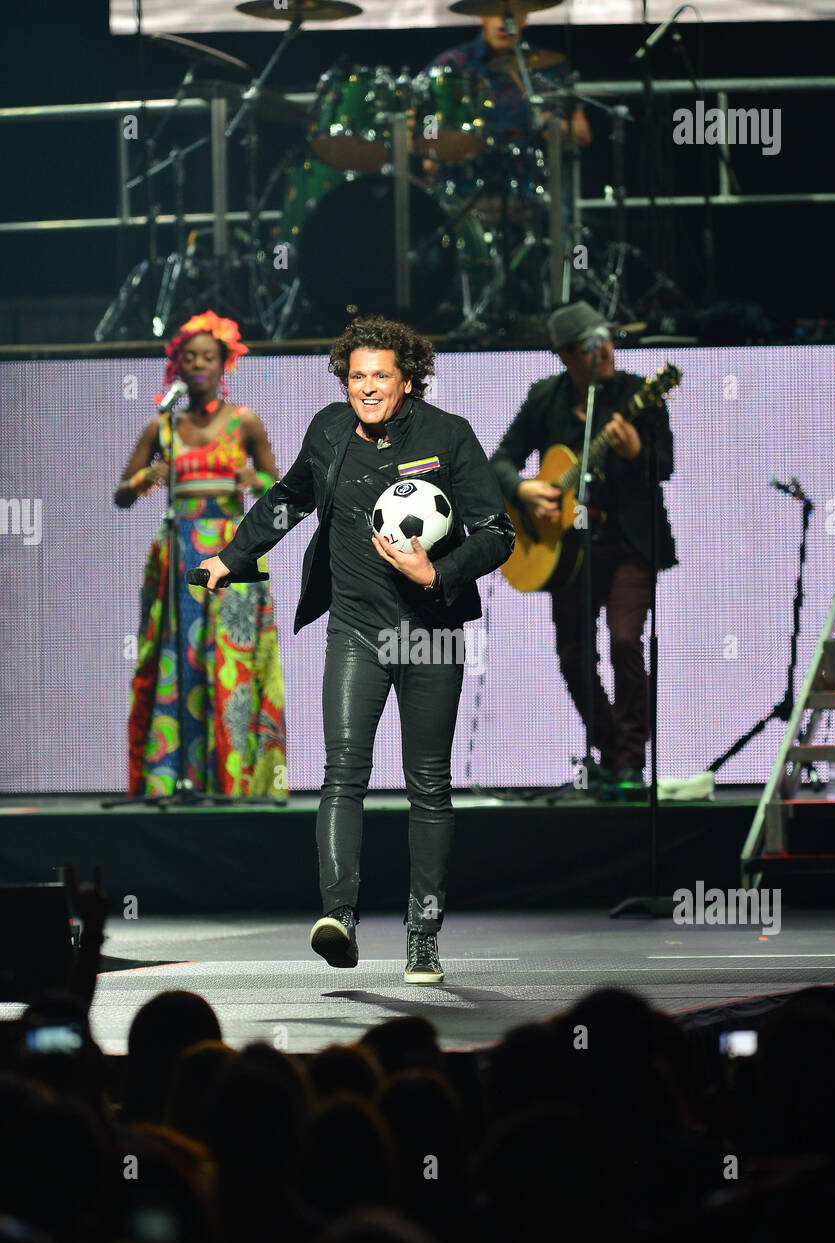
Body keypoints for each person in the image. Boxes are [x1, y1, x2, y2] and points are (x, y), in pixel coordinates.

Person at [194, 316, 514, 984]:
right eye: (356, 376)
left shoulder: (447, 435)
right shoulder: (329, 431)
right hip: (356, 630)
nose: (366, 388)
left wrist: (439, 573)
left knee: (428, 785)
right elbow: (287, 501)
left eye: (380, 377)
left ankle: (422, 936)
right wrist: (231, 556)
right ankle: (338, 917)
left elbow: (496, 532)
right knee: (343, 773)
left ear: (407, 380)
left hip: (427, 632)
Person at [490, 301, 676, 800]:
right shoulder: (546, 398)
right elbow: (501, 460)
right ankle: (612, 750)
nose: (607, 351)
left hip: (629, 542)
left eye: (609, 340)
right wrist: (525, 490)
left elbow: (664, 465)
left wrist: (637, 452)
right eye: (593, 347)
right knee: (573, 655)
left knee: (624, 643)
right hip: (570, 551)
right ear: (568, 356)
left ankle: (631, 761)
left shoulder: (640, 394)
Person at [115, 311, 287, 799]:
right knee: (180, 658)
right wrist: (146, 478)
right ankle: (175, 777)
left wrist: (258, 481)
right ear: (177, 366)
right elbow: (120, 495)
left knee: (232, 664)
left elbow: (283, 492)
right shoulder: (163, 426)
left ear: (224, 363)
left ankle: (235, 780)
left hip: (235, 555)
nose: (199, 365)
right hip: (179, 554)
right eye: (189, 357)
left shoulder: (245, 422)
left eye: (208, 357)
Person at [420, 12, 591, 202]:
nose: (502, 21)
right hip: (466, 183)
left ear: (524, 19)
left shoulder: (548, 67)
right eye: (494, 11)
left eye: (510, 13)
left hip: (532, 183)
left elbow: (582, 134)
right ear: (481, 16)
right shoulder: (453, 63)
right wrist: (431, 146)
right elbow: (426, 112)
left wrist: (550, 124)